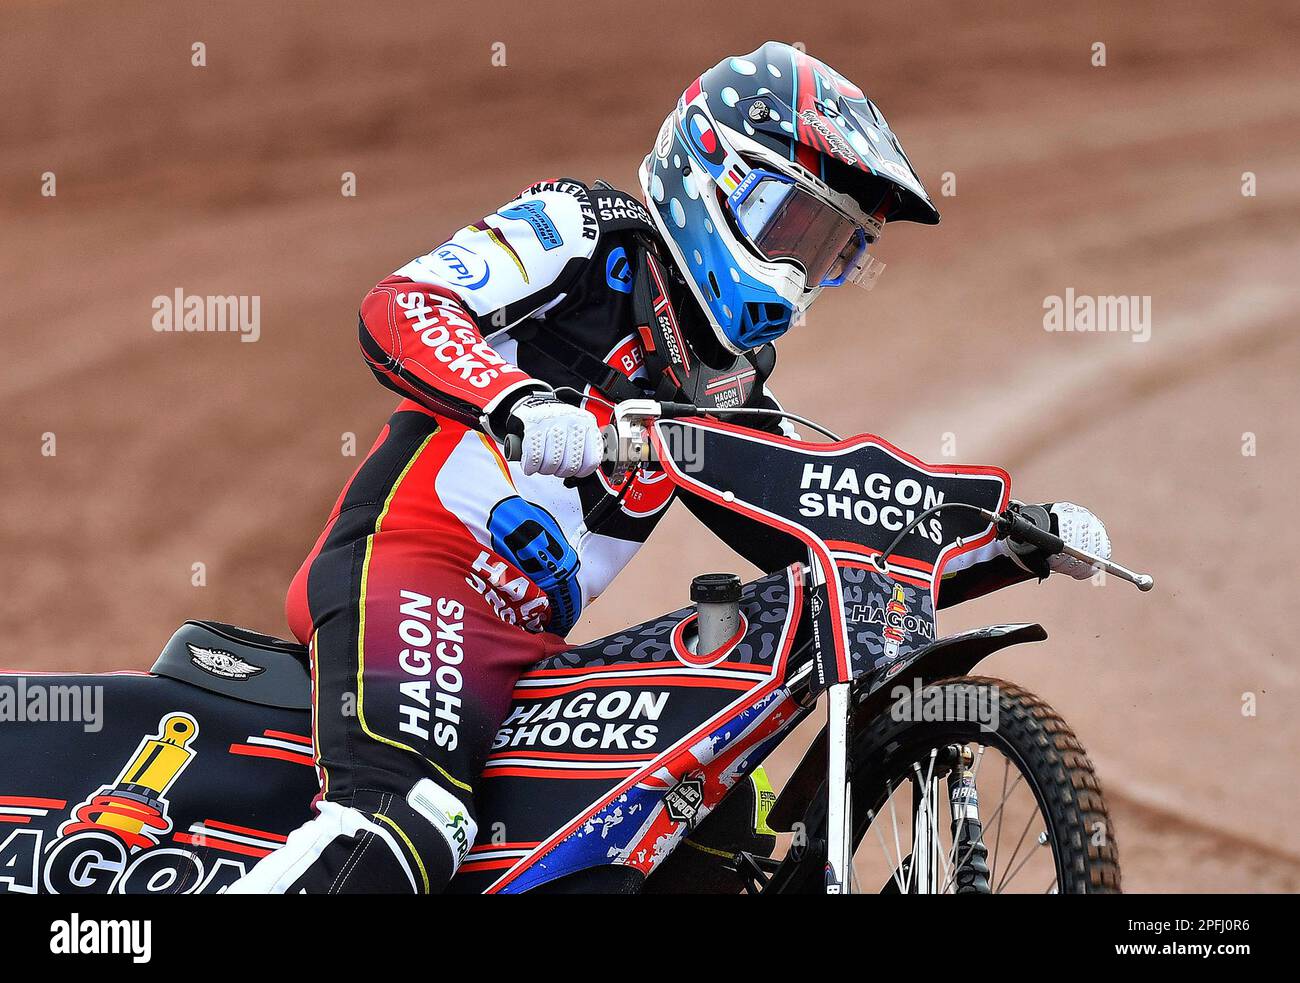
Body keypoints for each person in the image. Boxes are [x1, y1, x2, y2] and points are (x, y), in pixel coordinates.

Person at [229, 41, 1111, 894]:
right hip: (412, 571)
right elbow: (403, 305)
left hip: (530, 647)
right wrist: (519, 404)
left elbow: (819, 535)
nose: (803, 268)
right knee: (412, 816)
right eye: (793, 224)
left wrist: (1004, 539)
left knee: (708, 823)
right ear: (712, 176)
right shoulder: (584, 229)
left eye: (831, 248)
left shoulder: (726, 383)